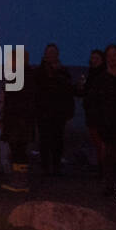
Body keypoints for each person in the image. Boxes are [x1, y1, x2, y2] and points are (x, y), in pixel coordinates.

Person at [88, 44, 116, 196]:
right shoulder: (100, 79)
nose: (112, 58)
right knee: (107, 159)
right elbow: (94, 102)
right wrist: (97, 122)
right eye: (109, 55)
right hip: (106, 124)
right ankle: (108, 188)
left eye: (115, 55)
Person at [33, 43, 74, 176]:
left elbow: (69, 89)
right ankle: (45, 166)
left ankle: (56, 166)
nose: (51, 55)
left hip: (58, 112)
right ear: (45, 55)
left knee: (58, 139)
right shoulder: (39, 71)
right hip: (43, 111)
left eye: (54, 53)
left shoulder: (63, 71)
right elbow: (35, 90)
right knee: (44, 139)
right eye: (49, 53)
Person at [0, 48, 37, 193]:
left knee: (18, 151)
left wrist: (5, 117)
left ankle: (20, 182)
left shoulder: (19, 76)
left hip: (17, 122)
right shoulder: (29, 75)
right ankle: (20, 180)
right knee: (19, 151)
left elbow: (13, 101)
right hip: (22, 121)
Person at [77, 48, 107, 171]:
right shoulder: (91, 74)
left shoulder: (103, 75)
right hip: (92, 114)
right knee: (97, 143)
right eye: (92, 58)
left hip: (101, 115)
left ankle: (104, 168)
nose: (93, 61)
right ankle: (102, 168)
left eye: (96, 58)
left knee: (102, 143)